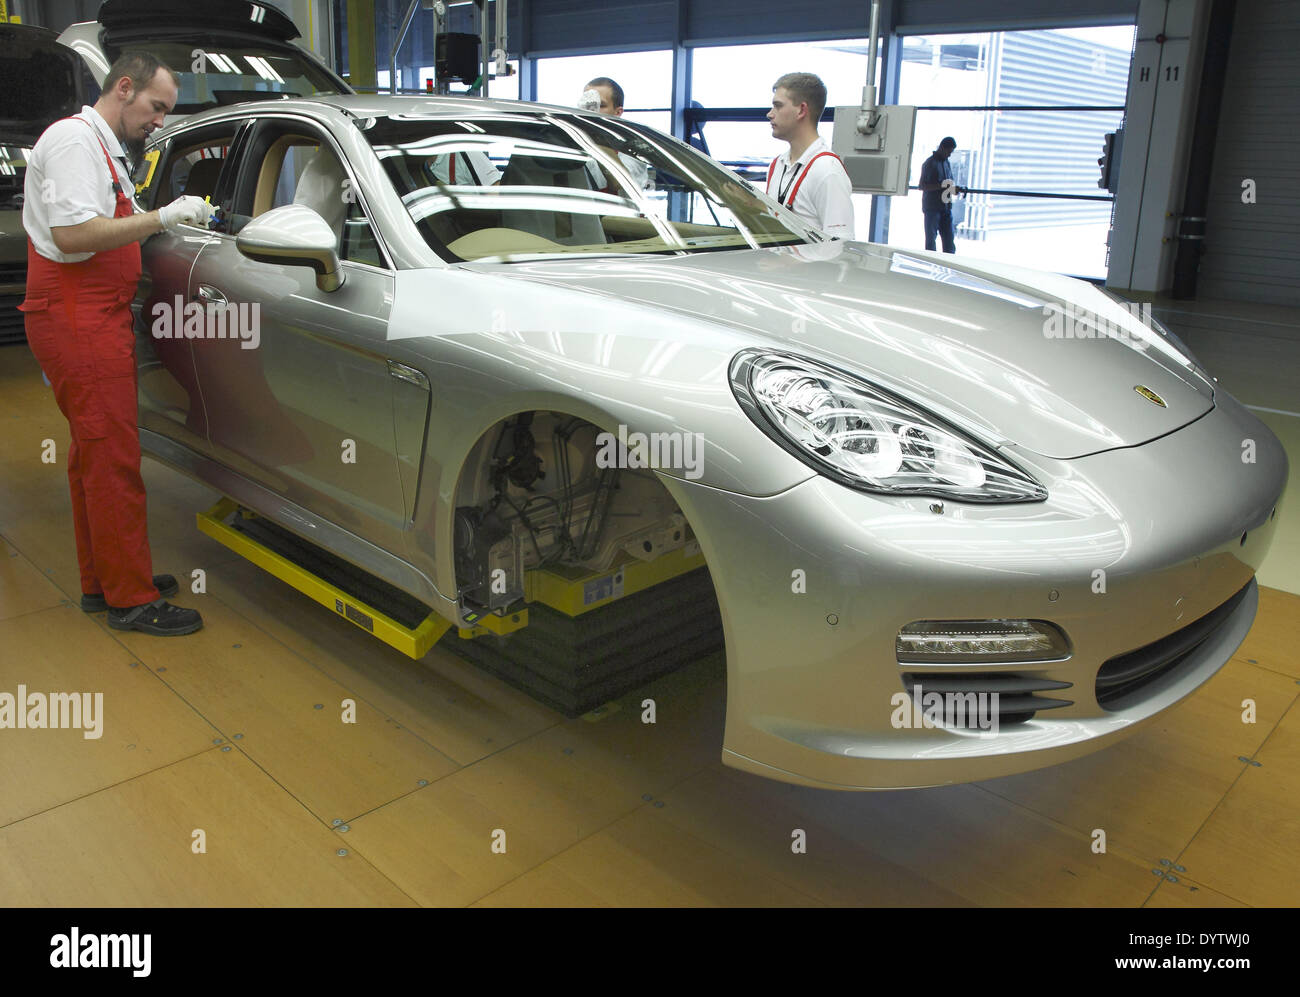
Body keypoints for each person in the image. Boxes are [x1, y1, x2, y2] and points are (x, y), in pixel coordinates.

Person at [20, 51, 210, 636]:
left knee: (91, 457)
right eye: (156, 107)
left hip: (87, 312)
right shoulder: (75, 143)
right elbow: (75, 236)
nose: (159, 121)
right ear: (123, 88)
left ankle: (102, 580)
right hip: (77, 314)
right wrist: (161, 218)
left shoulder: (101, 146)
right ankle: (132, 599)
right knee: (113, 459)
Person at [765, 72, 854, 238]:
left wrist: (792, 261)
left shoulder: (827, 170)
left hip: (806, 265)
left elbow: (841, 246)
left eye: (778, 106)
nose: (770, 114)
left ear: (801, 110)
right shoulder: (778, 165)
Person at [580, 77, 652, 191]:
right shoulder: (572, 139)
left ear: (618, 112)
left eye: (601, 105)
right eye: (587, 104)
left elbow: (622, 186)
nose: (591, 110)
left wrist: (599, 141)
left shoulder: (632, 150)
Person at [919, 137, 963, 253]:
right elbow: (922, 186)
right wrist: (942, 186)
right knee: (931, 242)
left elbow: (948, 184)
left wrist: (954, 189)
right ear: (942, 148)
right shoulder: (929, 164)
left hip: (946, 208)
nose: (949, 155)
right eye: (948, 152)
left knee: (949, 242)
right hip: (932, 208)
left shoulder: (946, 163)